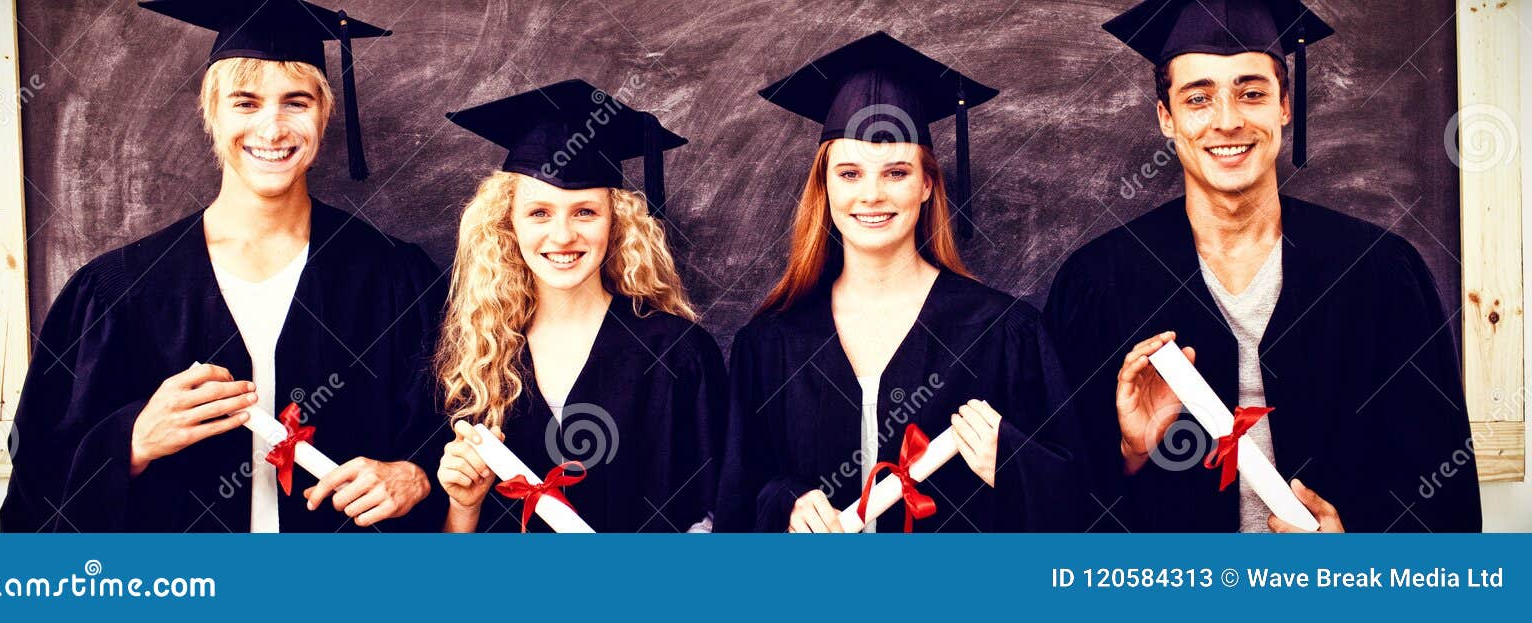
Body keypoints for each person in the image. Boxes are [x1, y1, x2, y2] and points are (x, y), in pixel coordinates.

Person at [0, 0, 448, 532]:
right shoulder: (117, 292)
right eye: (246, 102)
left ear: (323, 115)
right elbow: (37, 481)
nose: (273, 128)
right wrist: (132, 441)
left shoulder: (395, 280)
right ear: (210, 112)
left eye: (296, 102)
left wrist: (416, 475)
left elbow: (455, 437)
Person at [1046, 0, 1481, 532]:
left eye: (1251, 93)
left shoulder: (1379, 273)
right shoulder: (1099, 282)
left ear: (1283, 107)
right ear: (1167, 117)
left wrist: (1353, 553)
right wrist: (1130, 449)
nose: (1228, 121)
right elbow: (1055, 504)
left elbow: (1441, 488)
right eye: (1198, 97)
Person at [714, 32, 1086, 533]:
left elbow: (1081, 502)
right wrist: (785, 503)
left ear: (927, 184)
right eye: (849, 173)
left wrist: (1013, 462)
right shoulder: (769, 345)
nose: (871, 195)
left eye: (895, 172)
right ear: (824, 186)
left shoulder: (1002, 333)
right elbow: (736, 506)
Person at [435, 80, 726, 533]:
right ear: (507, 224)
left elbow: (718, 515)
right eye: (539, 213)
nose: (563, 236)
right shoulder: (479, 361)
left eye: (585, 211)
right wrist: (464, 506)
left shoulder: (678, 353)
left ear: (616, 223)